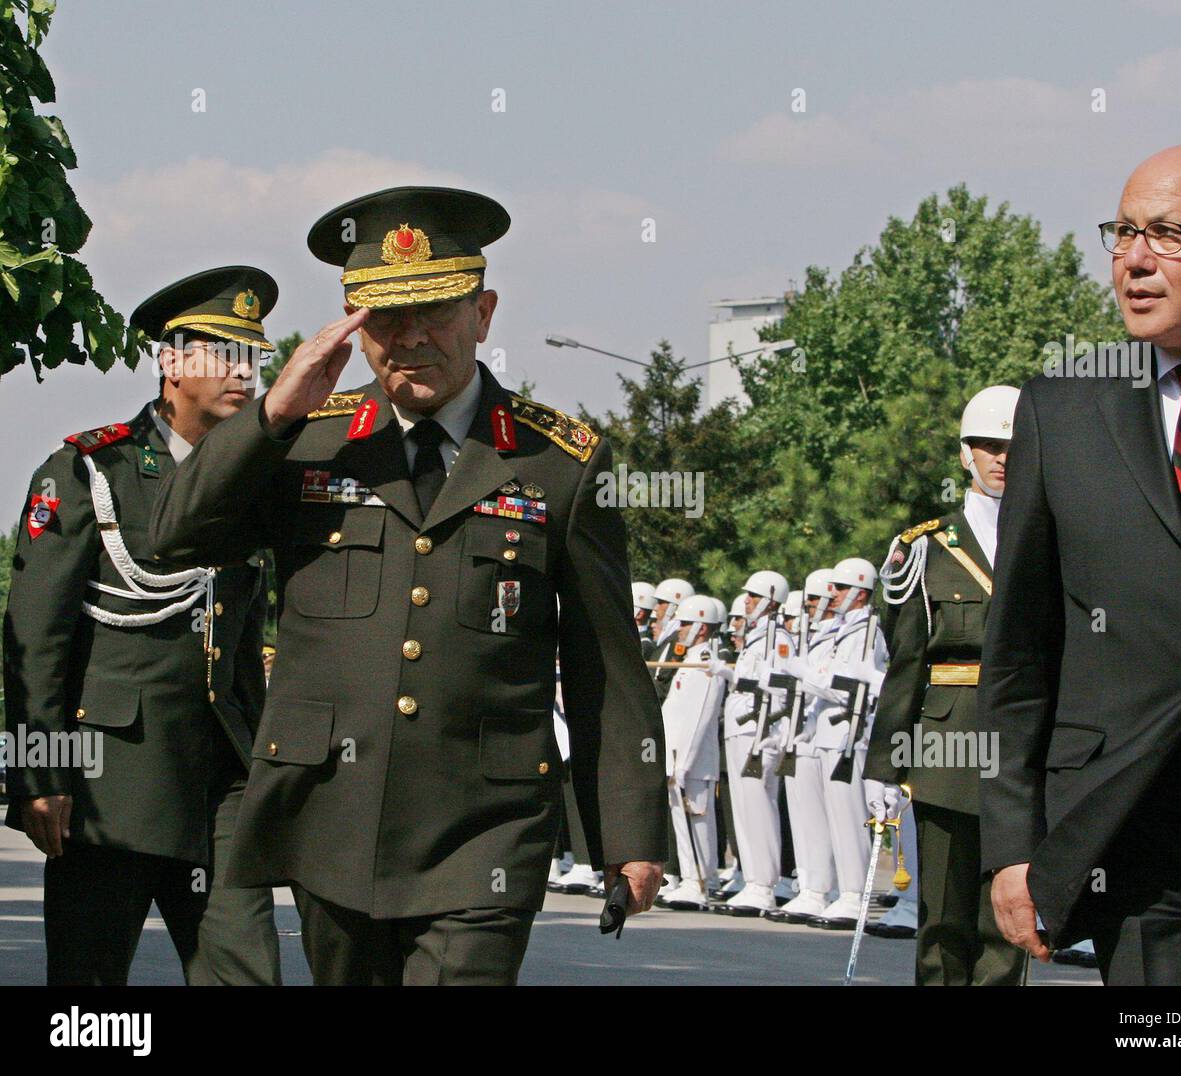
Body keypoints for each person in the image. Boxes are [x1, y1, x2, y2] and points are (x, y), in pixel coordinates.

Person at [150, 187, 669, 986]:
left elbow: (605, 661)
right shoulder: (309, 443)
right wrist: (274, 415)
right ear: (355, 327)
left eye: (436, 311)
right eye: (386, 319)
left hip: (484, 831)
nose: (412, 339)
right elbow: (174, 535)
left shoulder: (556, 463)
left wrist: (628, 833)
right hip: (333, 818)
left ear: (484, 313)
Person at [981, 145, 1181, 986]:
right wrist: (1011, 847)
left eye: (1168, 233)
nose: (1134, 258)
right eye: (1122, 233)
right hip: (1139, 838)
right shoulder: (1062, 410)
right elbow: (1018, 652)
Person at [4, 266, 281, 985]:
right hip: (109, 786)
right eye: (224, 354)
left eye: (253, 357)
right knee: (91, 992)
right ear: (170, 361)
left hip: (222, 781)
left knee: (245, 972)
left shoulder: (257, 479)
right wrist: (38, 774)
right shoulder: (92, 471)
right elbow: (37, 639)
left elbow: (243, 639)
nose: (244, 374)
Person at [866, 385, 1028, 985]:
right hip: (945, 750)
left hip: (1021, 750)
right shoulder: (926, 548)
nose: (1001, 458)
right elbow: (906, 665)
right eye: (987, 446)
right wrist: (884, 766)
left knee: (1008, 922)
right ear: (965, 455)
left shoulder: (1050, 538)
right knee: (943, 923)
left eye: (1012, 446)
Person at [797, 558, 886, 930]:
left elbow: (852, 685)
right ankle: (829, 891)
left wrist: (809, 675)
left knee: (850, 819)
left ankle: (855, 895)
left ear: (861, 593)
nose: (830, 594)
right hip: (826, 734)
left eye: (839, 588)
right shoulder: (837, 630)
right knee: (831, 818)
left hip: (849, 734)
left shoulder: (868, 631)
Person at [707, 570, 792, 916]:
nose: (748, 602)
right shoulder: (758, 636)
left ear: (772, 601)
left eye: (754, 597)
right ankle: (754, 879)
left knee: (759, 806)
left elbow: (784, 682)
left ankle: (764, 883)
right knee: (744, 807)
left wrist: (735, 675)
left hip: (760, 729)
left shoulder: (777, 636)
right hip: (743, 727)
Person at [766, 569, 838, 924]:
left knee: (833, 819)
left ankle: (832, 888)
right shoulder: (814, 636)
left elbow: (839, 685)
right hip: (805, 733)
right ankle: (812, 886)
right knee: (804, 817)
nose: (808, 607)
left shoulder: (845, 635)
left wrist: (799, 670)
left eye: (812, 599)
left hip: (831, 735)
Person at [660, 595, 727, 910]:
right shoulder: (691, 660)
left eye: (686, 623)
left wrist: (683, 764)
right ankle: (692, 880)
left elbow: (701, 716)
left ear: (702, 628)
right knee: (684, 824)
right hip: (680, 759)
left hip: (692, 763)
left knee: (695, 823)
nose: (680, 629)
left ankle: (699, 883)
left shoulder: (704, 662)